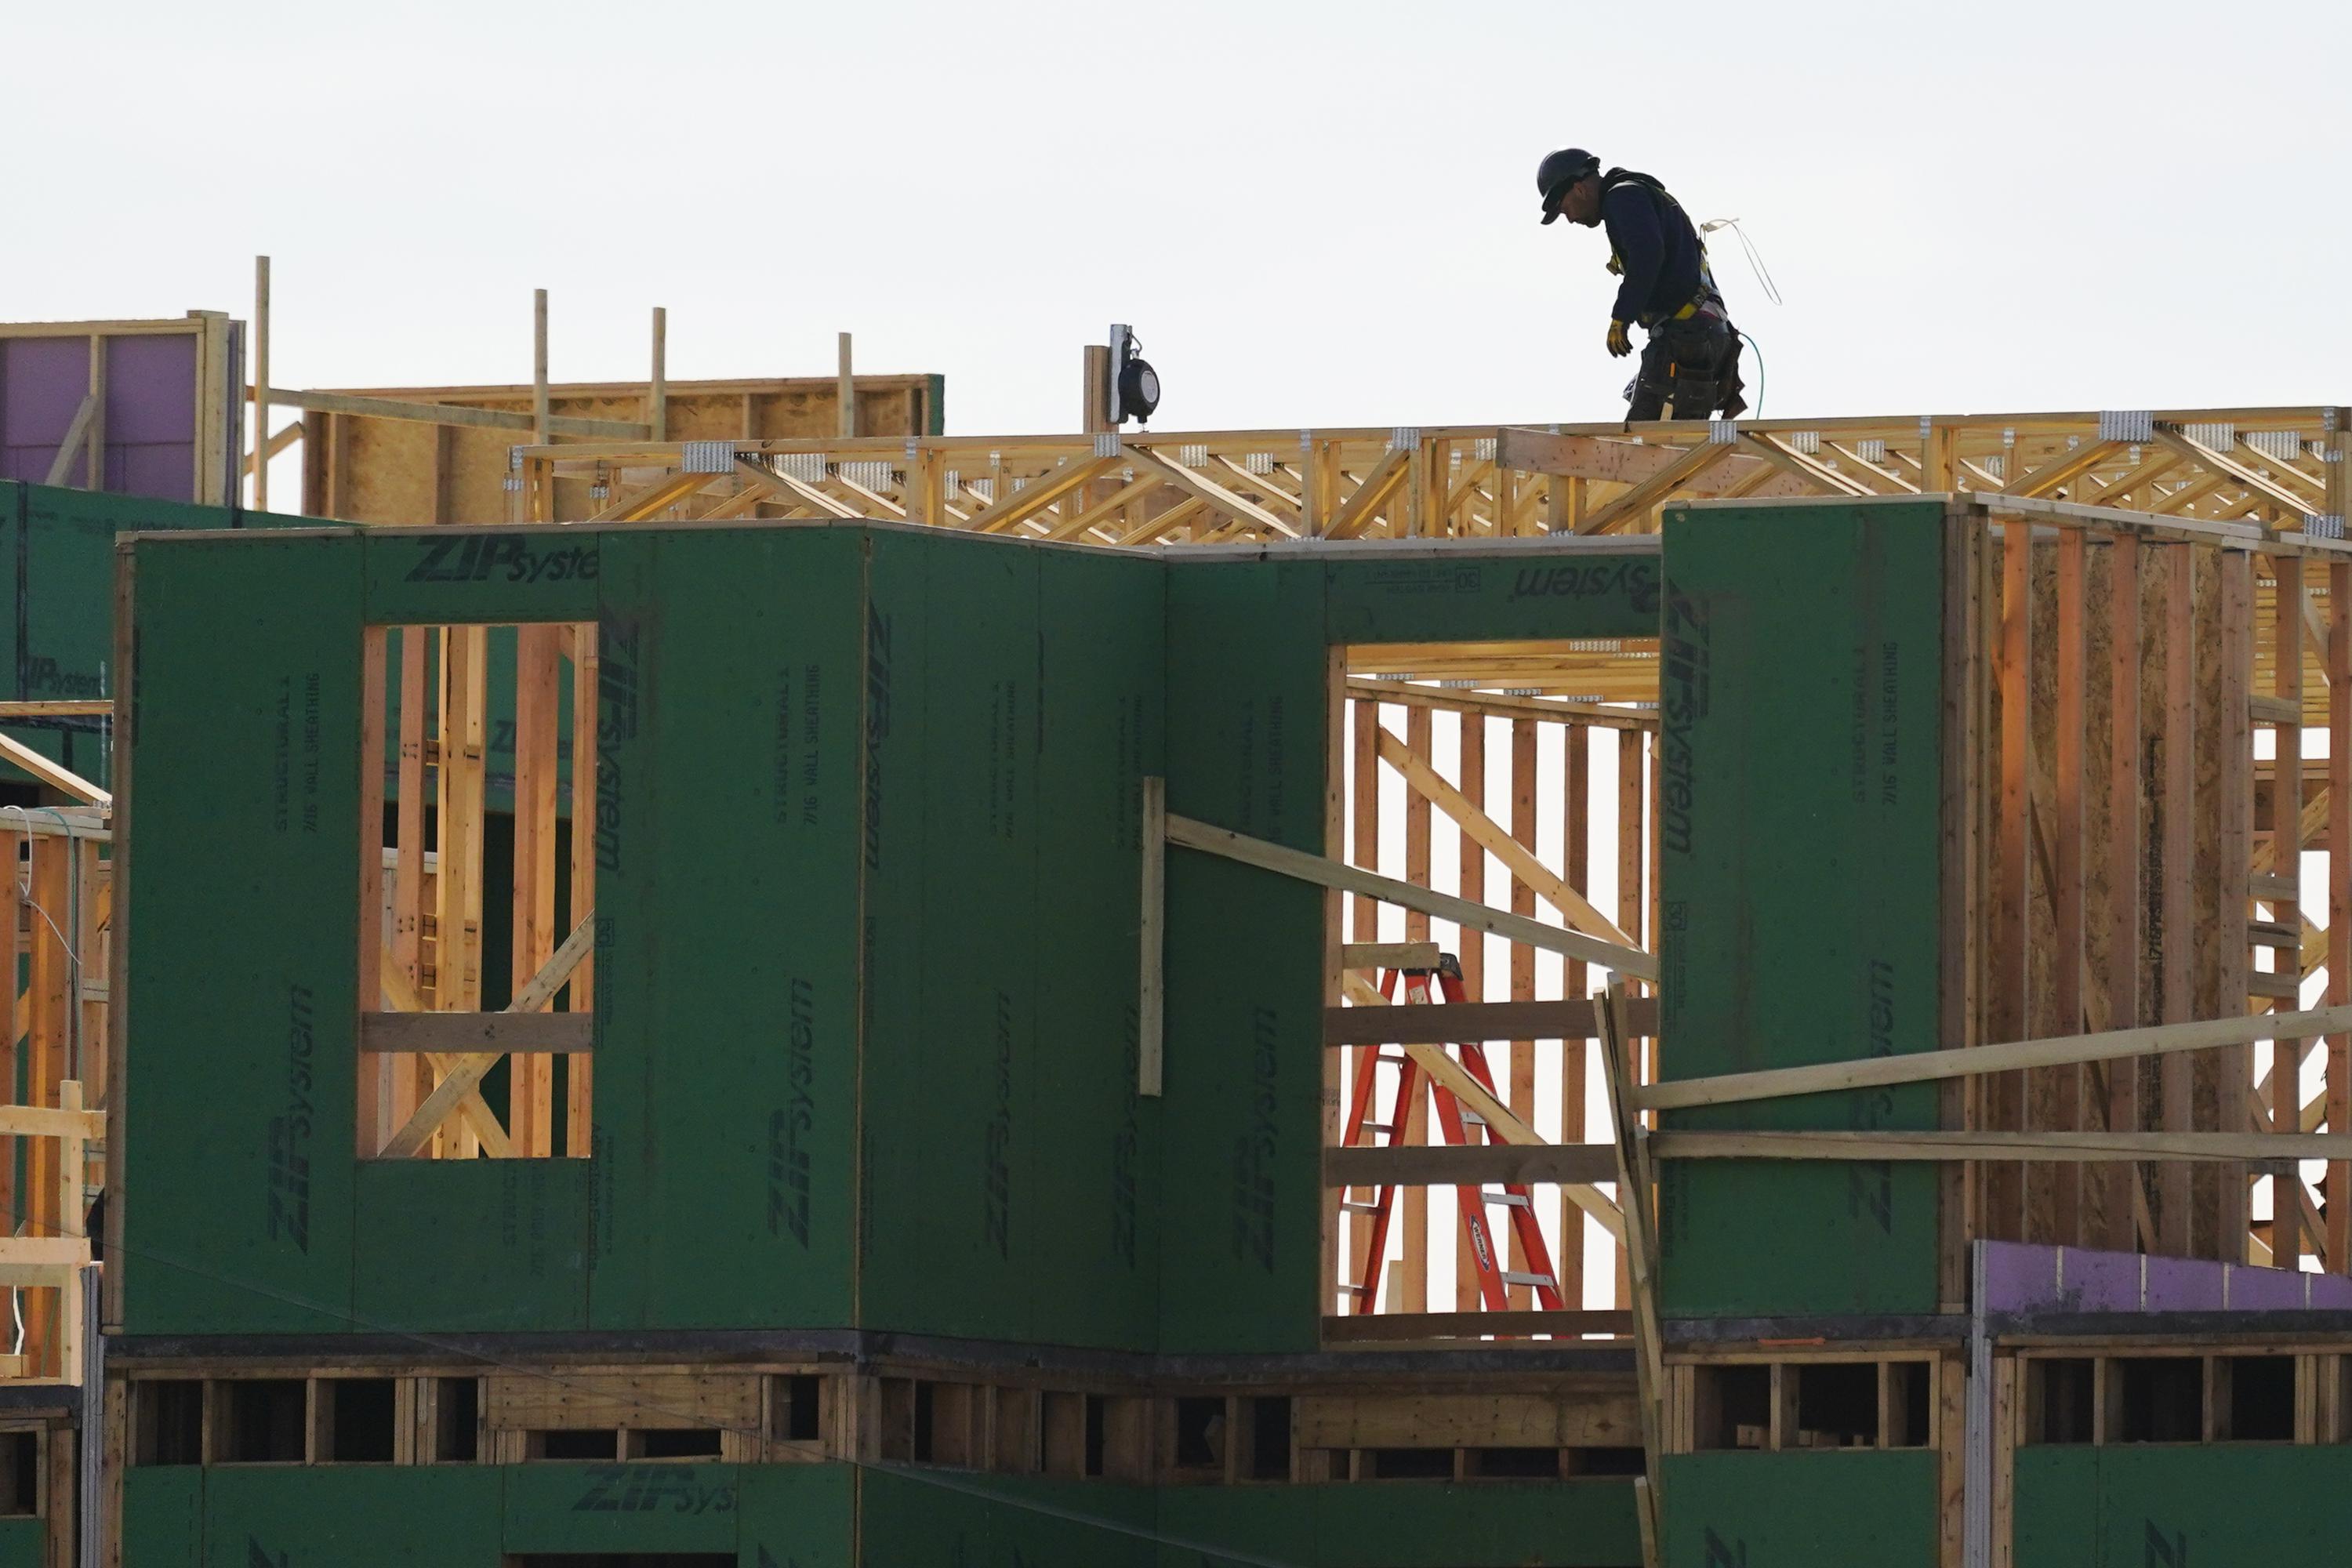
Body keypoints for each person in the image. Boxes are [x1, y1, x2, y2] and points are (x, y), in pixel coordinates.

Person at [1537, 148, 1747, 423]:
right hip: (1702, 335)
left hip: (1688, 336)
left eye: (1564, 209)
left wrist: (1621, 317)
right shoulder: (1637, 196)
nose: (1570, 218)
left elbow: (1647, 255)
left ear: (1579, 189)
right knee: (1673, 446)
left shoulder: (1622, 198)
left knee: (1642, 443)